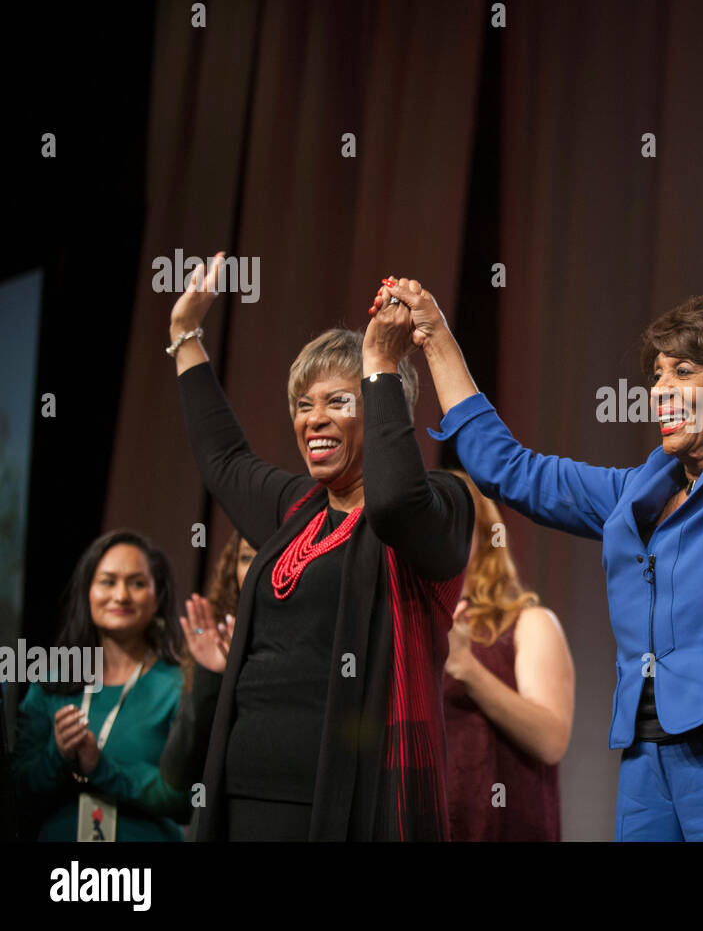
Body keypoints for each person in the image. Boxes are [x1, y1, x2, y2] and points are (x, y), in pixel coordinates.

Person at [379, 174, 703, 841]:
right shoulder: (636, 492)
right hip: (647, 762)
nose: (661, 391)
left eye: (683, 373)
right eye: (656, 374)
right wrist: (436, 338)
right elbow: (509, 470)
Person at [167, 255, 473, 840]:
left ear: (384, 409)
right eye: (303, 406)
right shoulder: (297, 510)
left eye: (337, 401)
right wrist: (185, 334)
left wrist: (381, 361)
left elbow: (392, 505)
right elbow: (224, 459)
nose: (313, 420)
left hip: (352, 806)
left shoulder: (438, 507)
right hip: (244, 796)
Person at [12, 529, 191, 840]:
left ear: (157, 597)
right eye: (108, 581)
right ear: (87, 592)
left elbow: (188, 799)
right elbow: (16, 789)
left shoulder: (178, 687)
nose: (120, 595)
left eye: (136, 583)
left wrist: (102, 767)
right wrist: (58, 753)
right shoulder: (52, 680)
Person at [442, 470, 574, 840]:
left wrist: (467, 669)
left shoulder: (528, 623)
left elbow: (551, 740)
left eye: (451, 519)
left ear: (483, 535)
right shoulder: (404, 625)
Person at [160, 531, 254, 796]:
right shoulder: (215, 644)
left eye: (270, 553)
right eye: (246, 556)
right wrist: (212, 675)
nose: (257, 567)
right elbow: (177, 774)